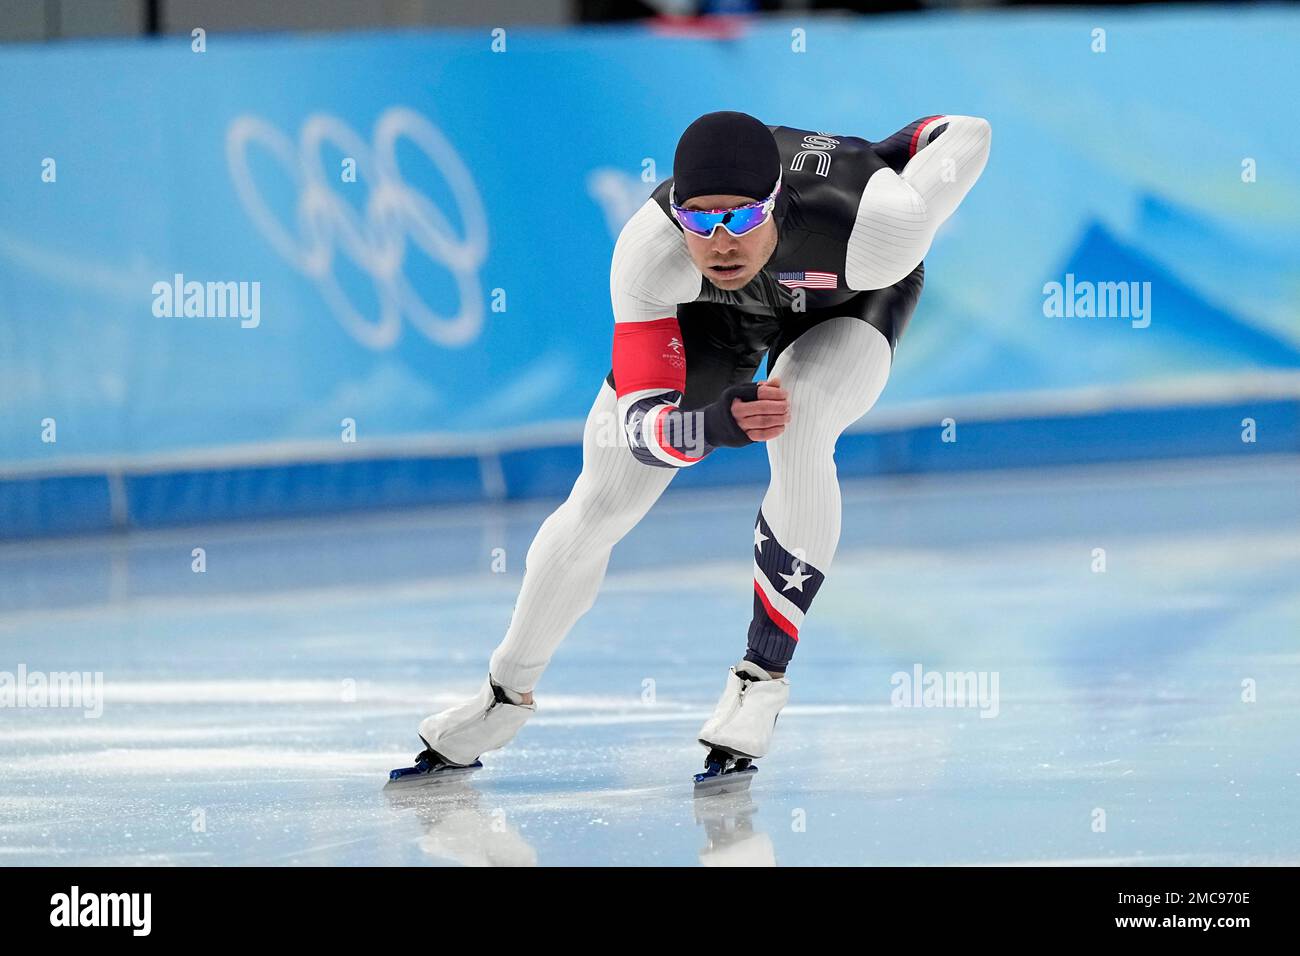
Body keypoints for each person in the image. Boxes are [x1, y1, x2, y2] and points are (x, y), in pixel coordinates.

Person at [409, 109, 991, 780]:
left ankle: (760, 679)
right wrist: (712, 425)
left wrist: (897, 150)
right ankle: (503, 694)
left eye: (742, 219)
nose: (722, 242)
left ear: (775, 202)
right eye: (701, 221)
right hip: (717, 317)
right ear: (675, 214)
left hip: (849, 296)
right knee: (602, 498)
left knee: (801, 422)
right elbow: (640, 428)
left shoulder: (880, 223)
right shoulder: (648, 254)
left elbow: (968, 131)